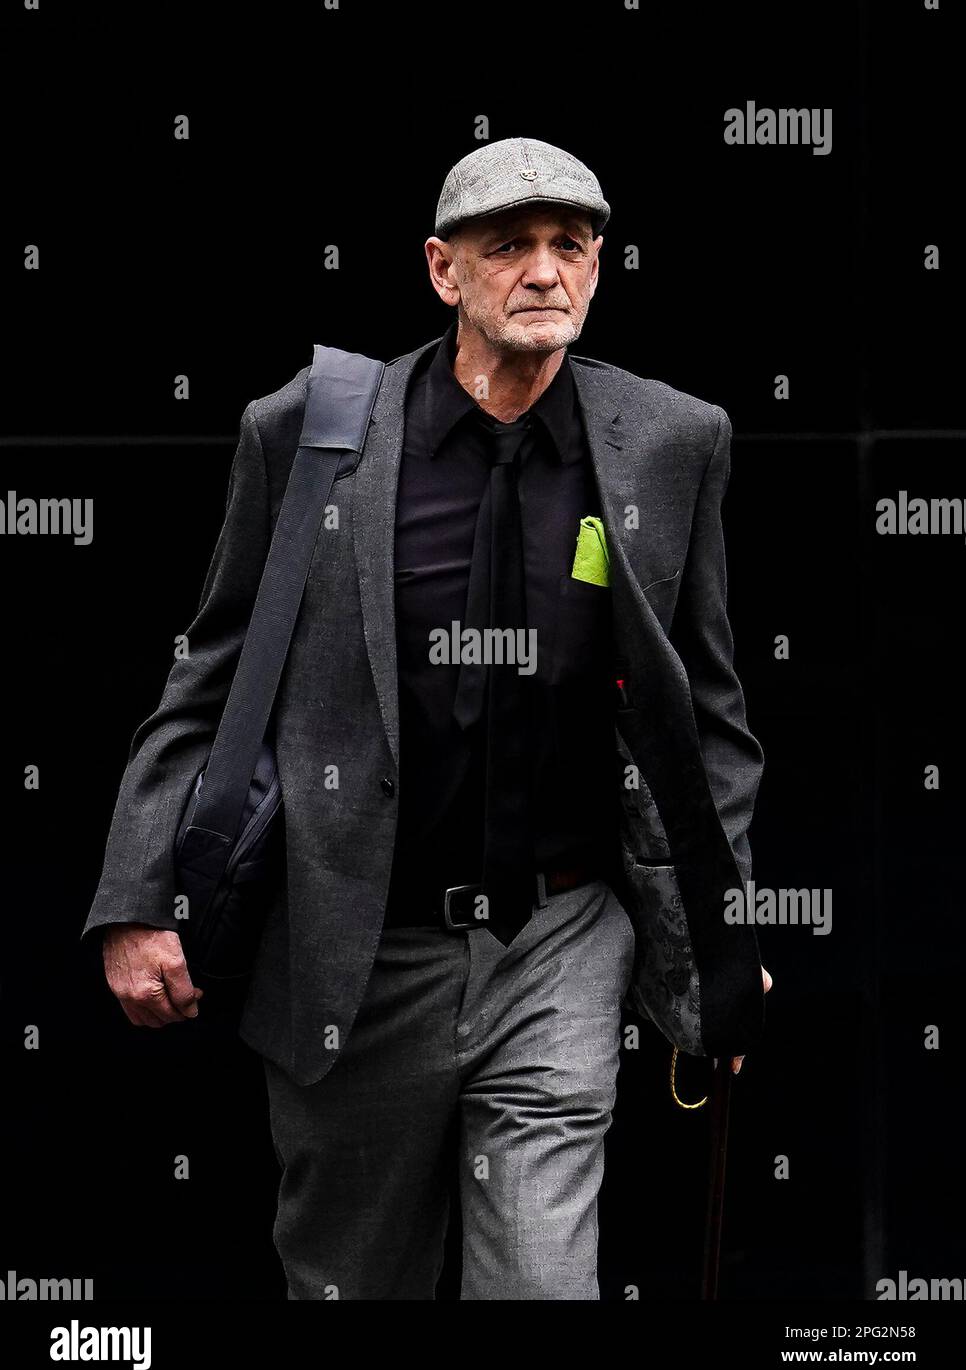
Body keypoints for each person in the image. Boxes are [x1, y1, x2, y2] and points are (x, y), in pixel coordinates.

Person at [82, 136, 772, 1300]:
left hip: (560, 941)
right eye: (510, 247)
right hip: (356, 953)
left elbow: (707, 712)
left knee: (545, 1287)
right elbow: (213, 673)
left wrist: (725, 925)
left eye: (573, 247)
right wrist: (138, 896)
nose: (546, 272)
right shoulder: (311, 432)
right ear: (444, 272)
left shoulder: (671, 439)